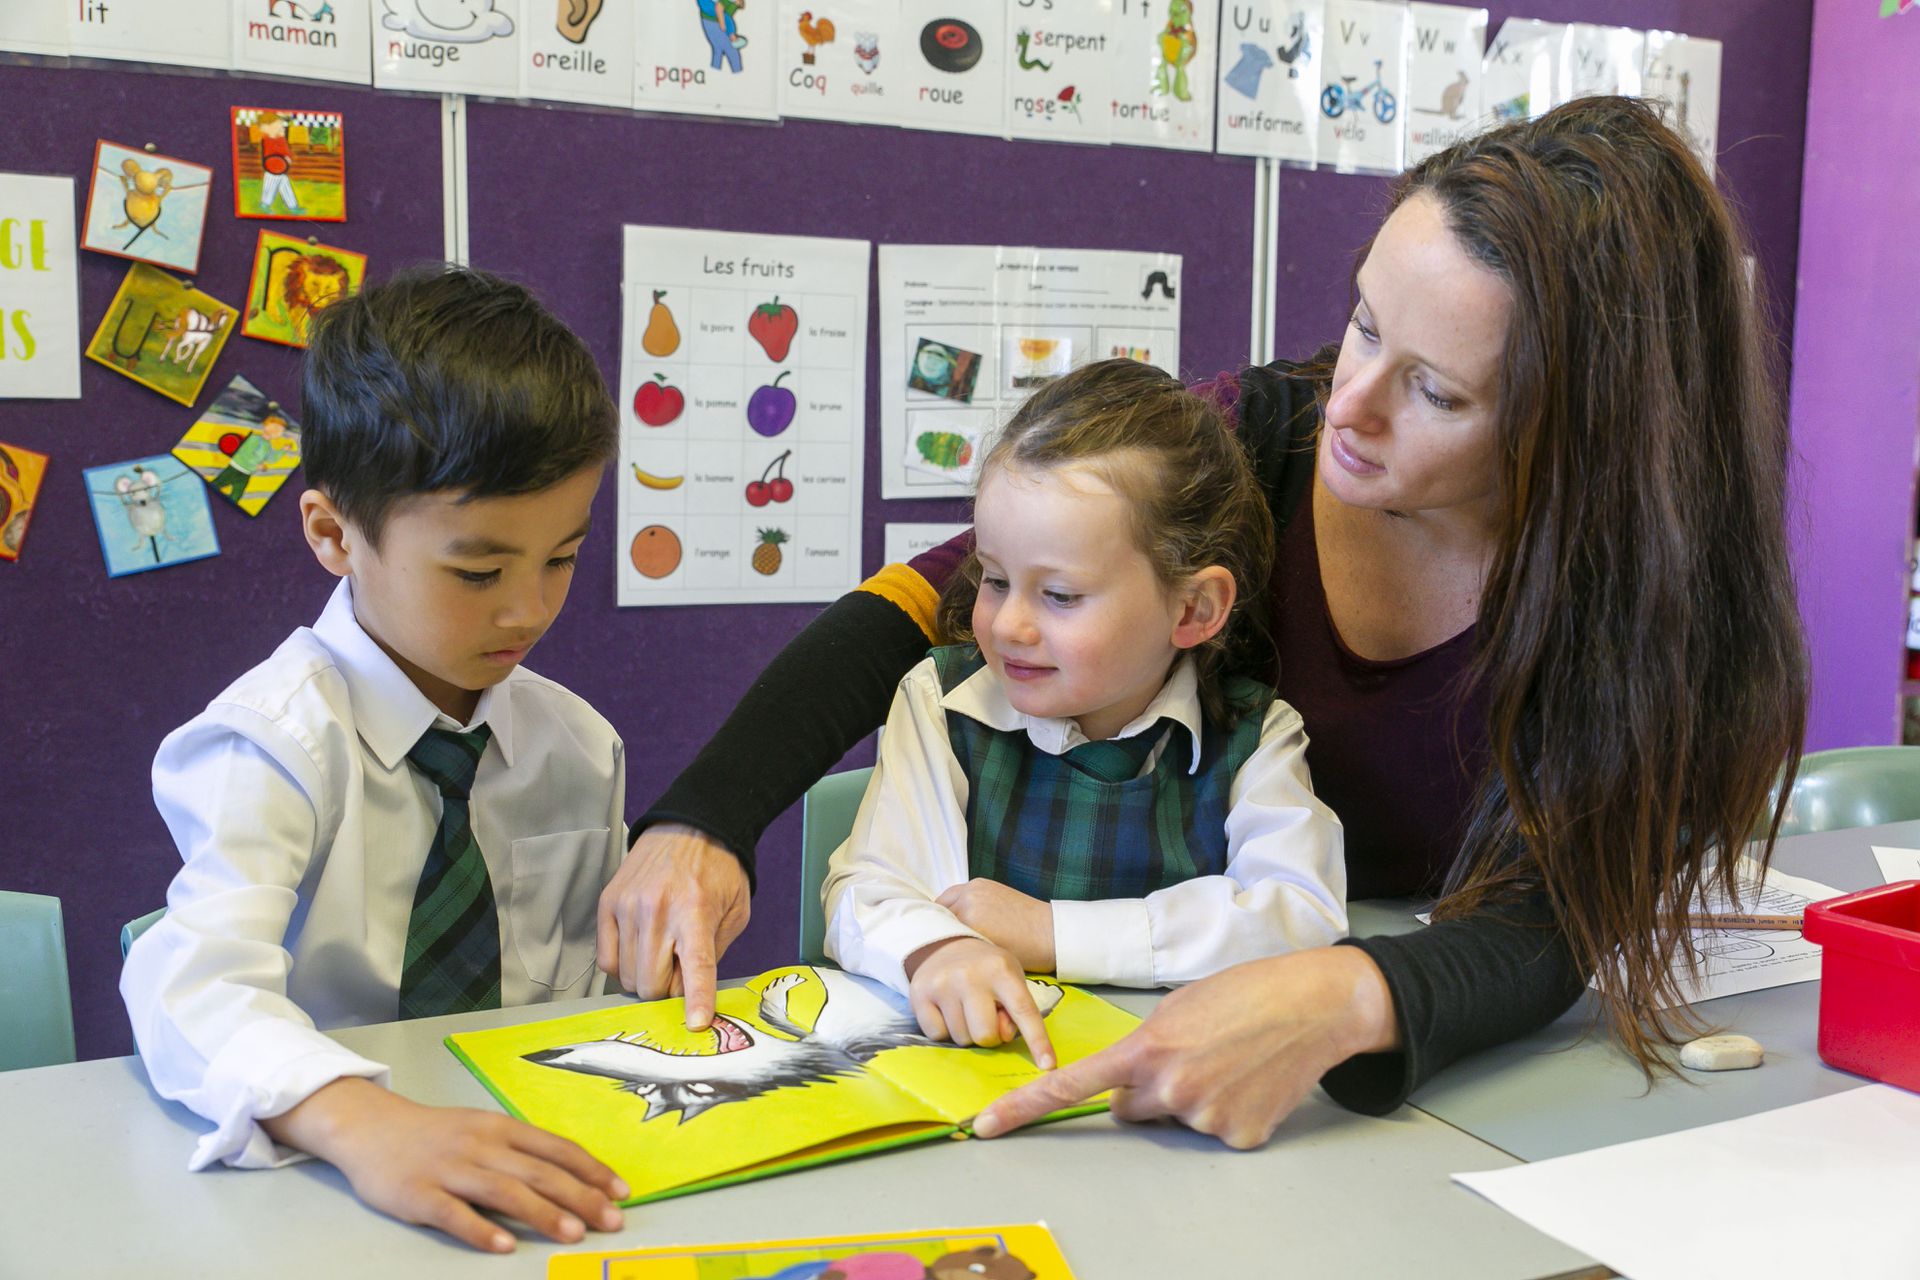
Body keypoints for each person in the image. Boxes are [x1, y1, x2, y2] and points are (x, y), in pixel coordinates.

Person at [600, 94, 1806, 1149]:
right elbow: (925, 606)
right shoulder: (1245, 449)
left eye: (1435, 390)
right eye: (1366, 323)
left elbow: (1550, 922)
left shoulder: (1652, 606)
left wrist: (1343, 995)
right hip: (1159, 1030)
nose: (1354, 401)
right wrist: (705, 816)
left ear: (1579, 429)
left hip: (1413, 1048)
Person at [122, 266, 632, 1252]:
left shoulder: (578, 744)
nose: (528, 606)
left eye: (561, 556)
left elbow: (579, 998)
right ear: (331, 533)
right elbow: (188, 981)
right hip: (321, 1182)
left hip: (529, 1173)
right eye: (478, 569)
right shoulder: (272, 741)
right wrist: (364, 1120)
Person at [823, 360, 1346, 1065]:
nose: (1009, 624)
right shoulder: (941, 701)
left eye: (1060, 596)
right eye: (995, 580)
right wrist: (936, 948)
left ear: (1193, 609)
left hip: (1171, 1086)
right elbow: (867, 889)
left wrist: (1052, 933)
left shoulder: (1256, 739)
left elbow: (1302, 919)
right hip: (983, 1079)